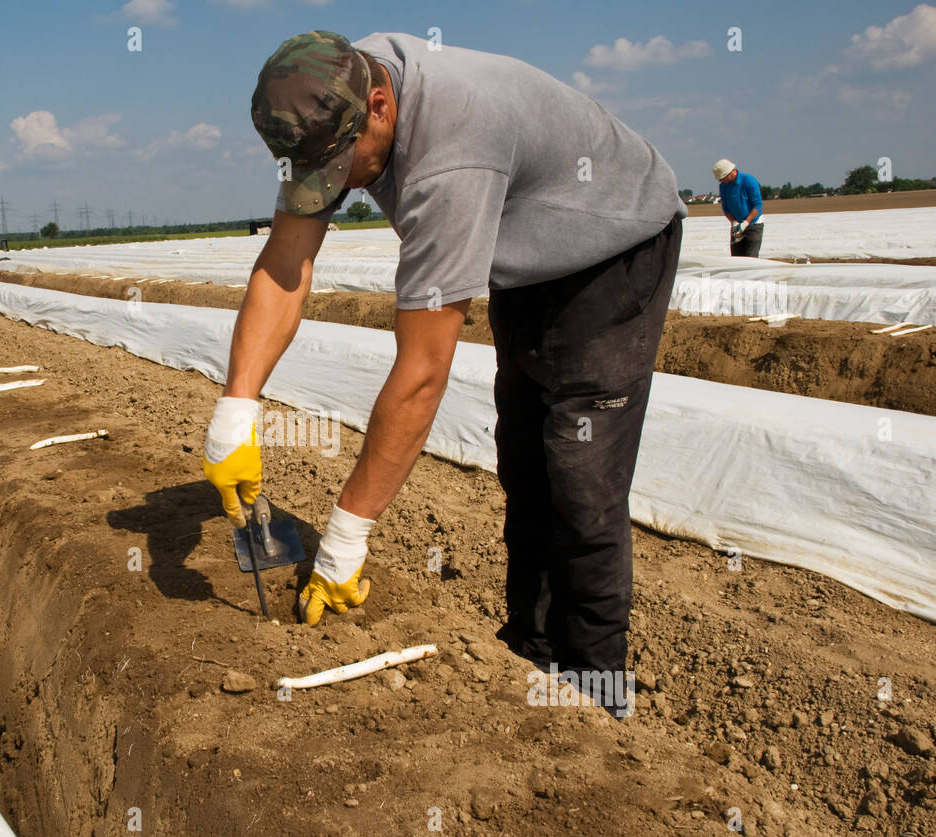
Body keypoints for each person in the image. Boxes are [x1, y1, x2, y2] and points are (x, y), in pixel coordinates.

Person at [203, 31, 685, 715]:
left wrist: (344, 536)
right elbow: (285, 266)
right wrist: (237, 406)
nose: (334, 188)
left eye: (342, 167)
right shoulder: (328, 93)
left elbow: (423, 373)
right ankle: (529, 655)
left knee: (580, 483)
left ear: (379, 106)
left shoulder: (448, 160)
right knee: (524, 463)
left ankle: (594, 697)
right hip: (528, 254)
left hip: (612, 249)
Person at [713, 159, 763, 257]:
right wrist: (734, 222)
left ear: (730, 172)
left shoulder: (749, 181)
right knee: (736, 259)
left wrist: (746, 223)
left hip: (753, 225)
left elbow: (757, 205)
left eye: (723, 178)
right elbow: (726, 207)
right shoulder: (723, 186)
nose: (722, 181)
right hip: (737, 227)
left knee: (751, 259)